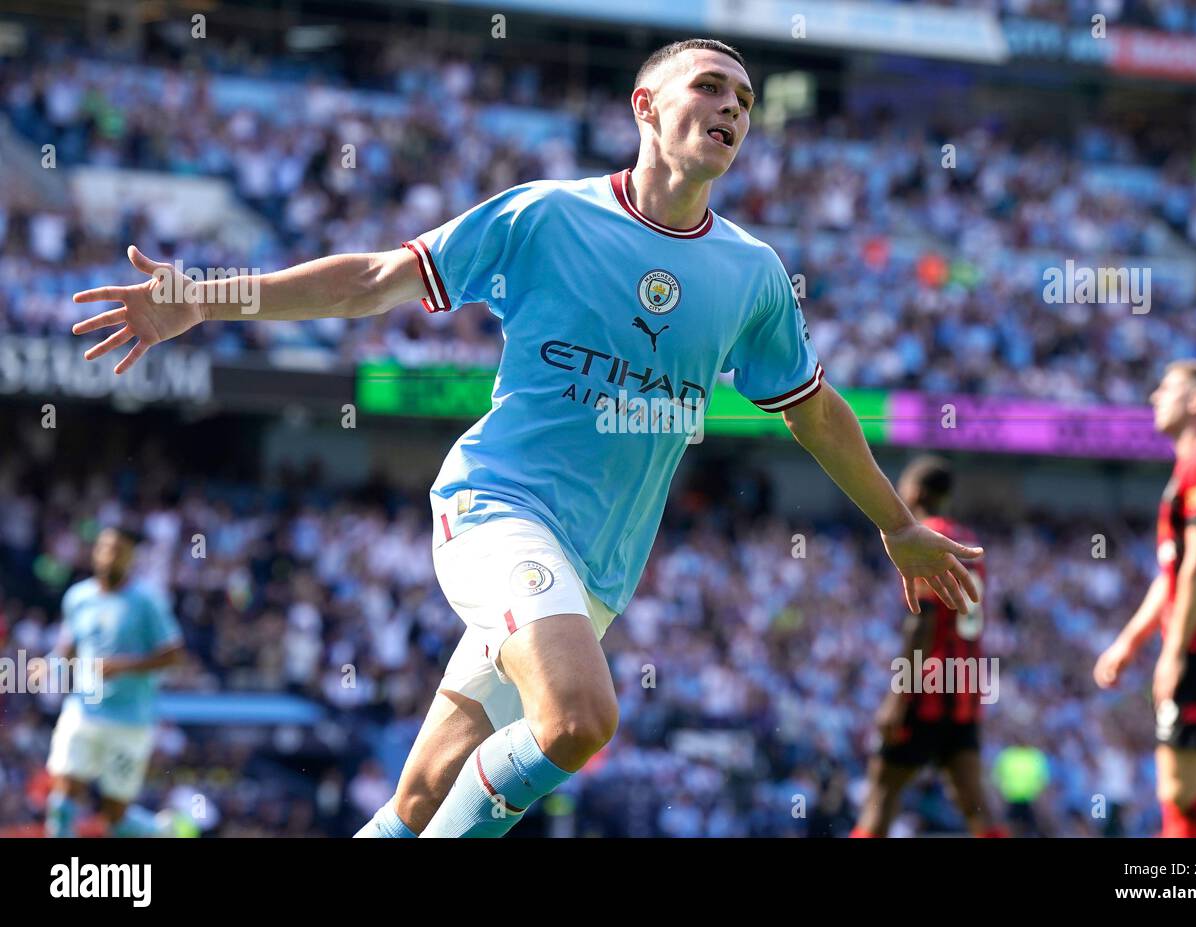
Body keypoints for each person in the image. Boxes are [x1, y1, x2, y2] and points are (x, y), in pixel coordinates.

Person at [72, 39, 982, 838]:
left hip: (598, 572)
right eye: (710, 87)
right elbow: (375, 280)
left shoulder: (752, 274)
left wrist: (894, 522)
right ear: (646, 106)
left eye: (744, 101)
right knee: (579, 720)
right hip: (495, 508)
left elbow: (812, 408)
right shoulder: (547, 214)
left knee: (422, 796)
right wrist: (208, 296)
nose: (732, 109)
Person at [1094, 360, 1196, 838]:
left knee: (1181, 790)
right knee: (1176, 796)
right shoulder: (1192, 465)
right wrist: (1129, 641)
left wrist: (1176, 651)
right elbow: (1174, 573)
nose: (1153, 398)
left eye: (1166, 389)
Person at [852, 456, 1003, 837]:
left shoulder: (923, 540)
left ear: (914, 493)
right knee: (975, 803)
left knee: (882, 796)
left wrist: (896, 700)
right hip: (964, 690)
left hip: (926, 691)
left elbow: (923, 621)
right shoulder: (969, 546)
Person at [44, 526, 187, 837]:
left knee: (115, 817)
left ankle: (164, 833)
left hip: (130, 720)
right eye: (106, 547)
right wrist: (49, 665)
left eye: (120, 550)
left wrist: (124, 666)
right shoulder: (78, 597)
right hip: (83, 710)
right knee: (63, 796)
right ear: (96, 552)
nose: (111, 555)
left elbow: (174, 654)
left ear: (130, 558)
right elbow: (68, 647)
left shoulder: (147, 601)